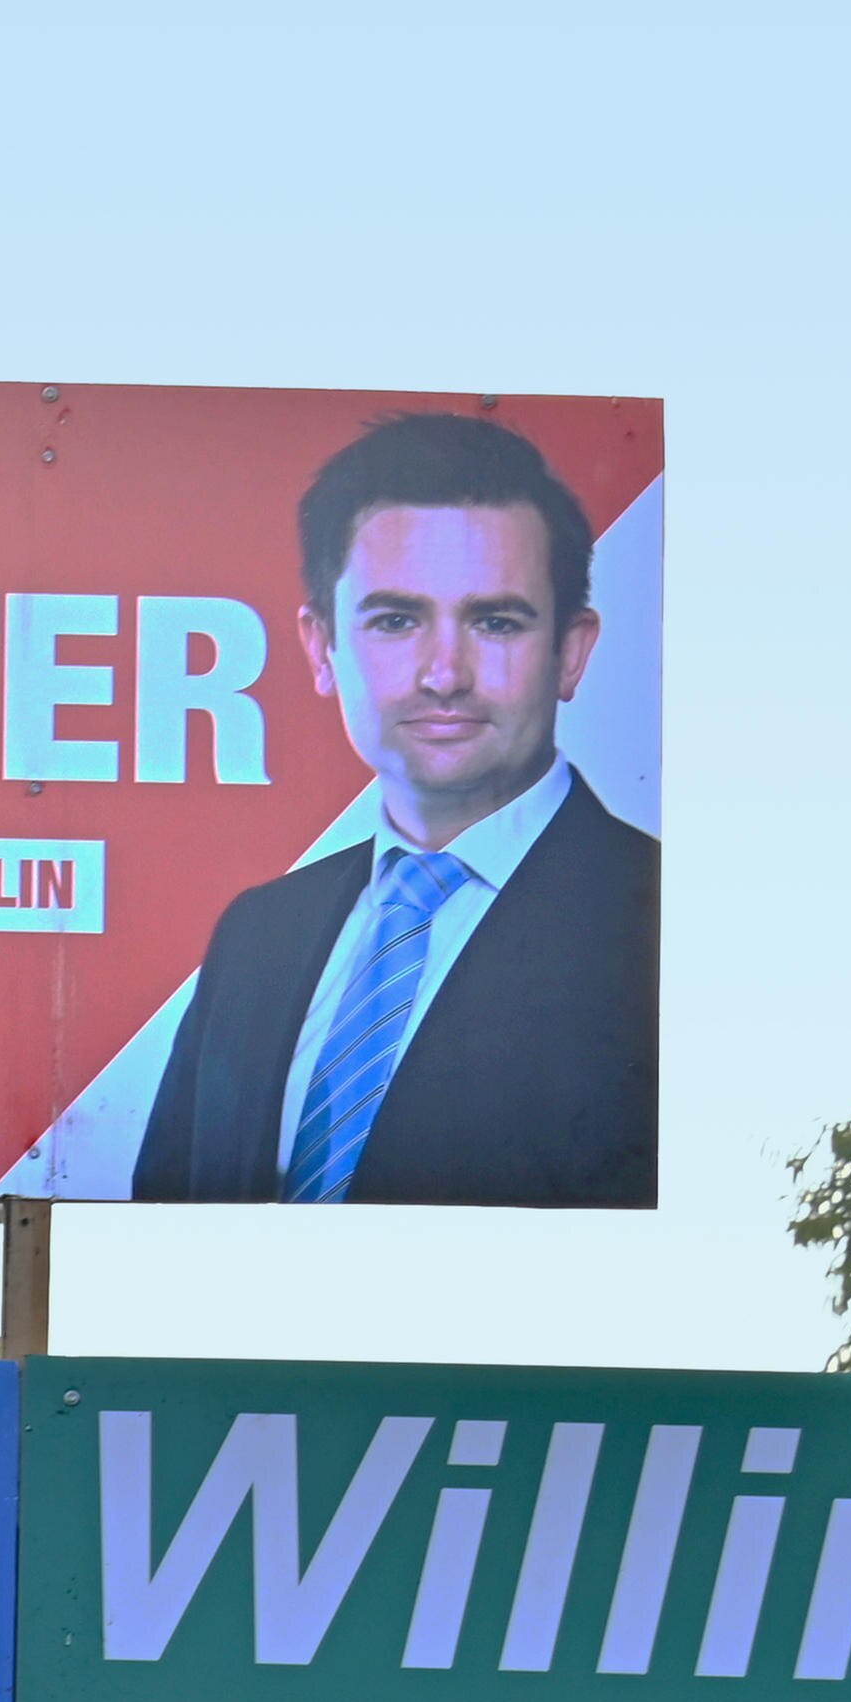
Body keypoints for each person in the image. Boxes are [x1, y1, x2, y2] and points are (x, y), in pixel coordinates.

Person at [132, 413, 654, 1205]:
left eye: (496, 621)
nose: (445, 673)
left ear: (573, 651)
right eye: (397, 620)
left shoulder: (663, 925)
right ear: (320, 647)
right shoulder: (258, 937)